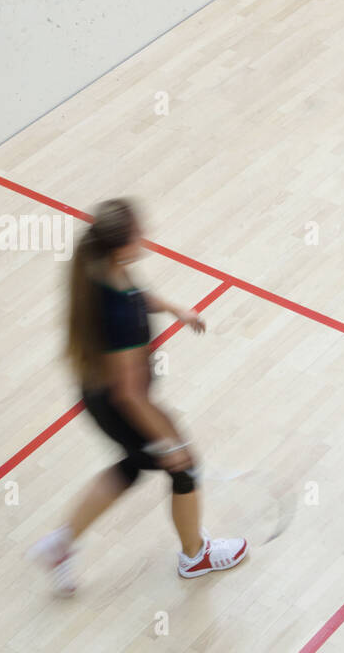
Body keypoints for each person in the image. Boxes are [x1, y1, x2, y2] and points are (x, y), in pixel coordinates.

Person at [29, 198, 247, 595]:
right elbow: (129, 394)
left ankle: (61, 546)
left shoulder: (101, 270)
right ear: (120, 246)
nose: (145, 235)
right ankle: (194, 555)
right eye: (138, 232)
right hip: (122, 403)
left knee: (129, 469)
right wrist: (167, 442)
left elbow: (138, 294)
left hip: (97, 395)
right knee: (185, 469)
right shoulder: (121, 317)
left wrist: (176, 309)